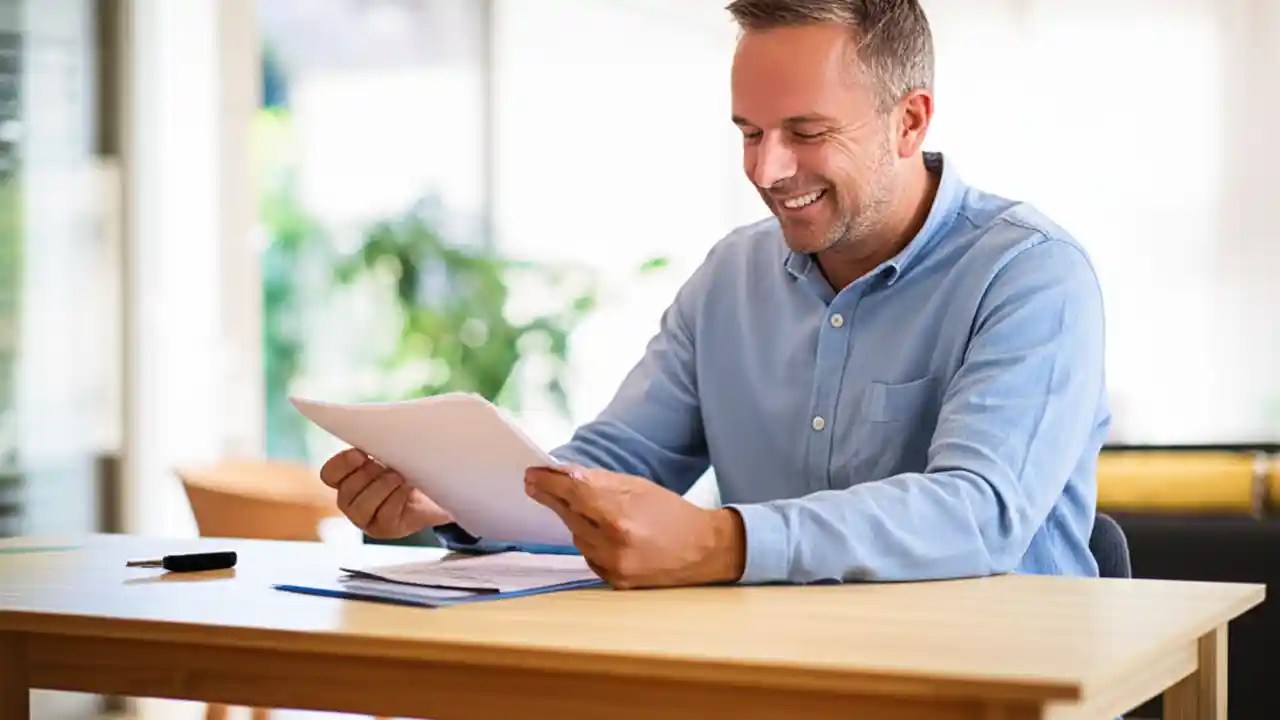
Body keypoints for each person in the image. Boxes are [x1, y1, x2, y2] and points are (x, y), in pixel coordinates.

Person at [319, 0, 1110, 590]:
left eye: (806, 132)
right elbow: (613, 467)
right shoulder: (730, 280)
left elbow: (979, 513)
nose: (766, 171)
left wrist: (719, 541)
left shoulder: (1031, 275)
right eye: (748, 132)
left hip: (992, 683)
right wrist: (460, 501)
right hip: (777, 682)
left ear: (909, 122)